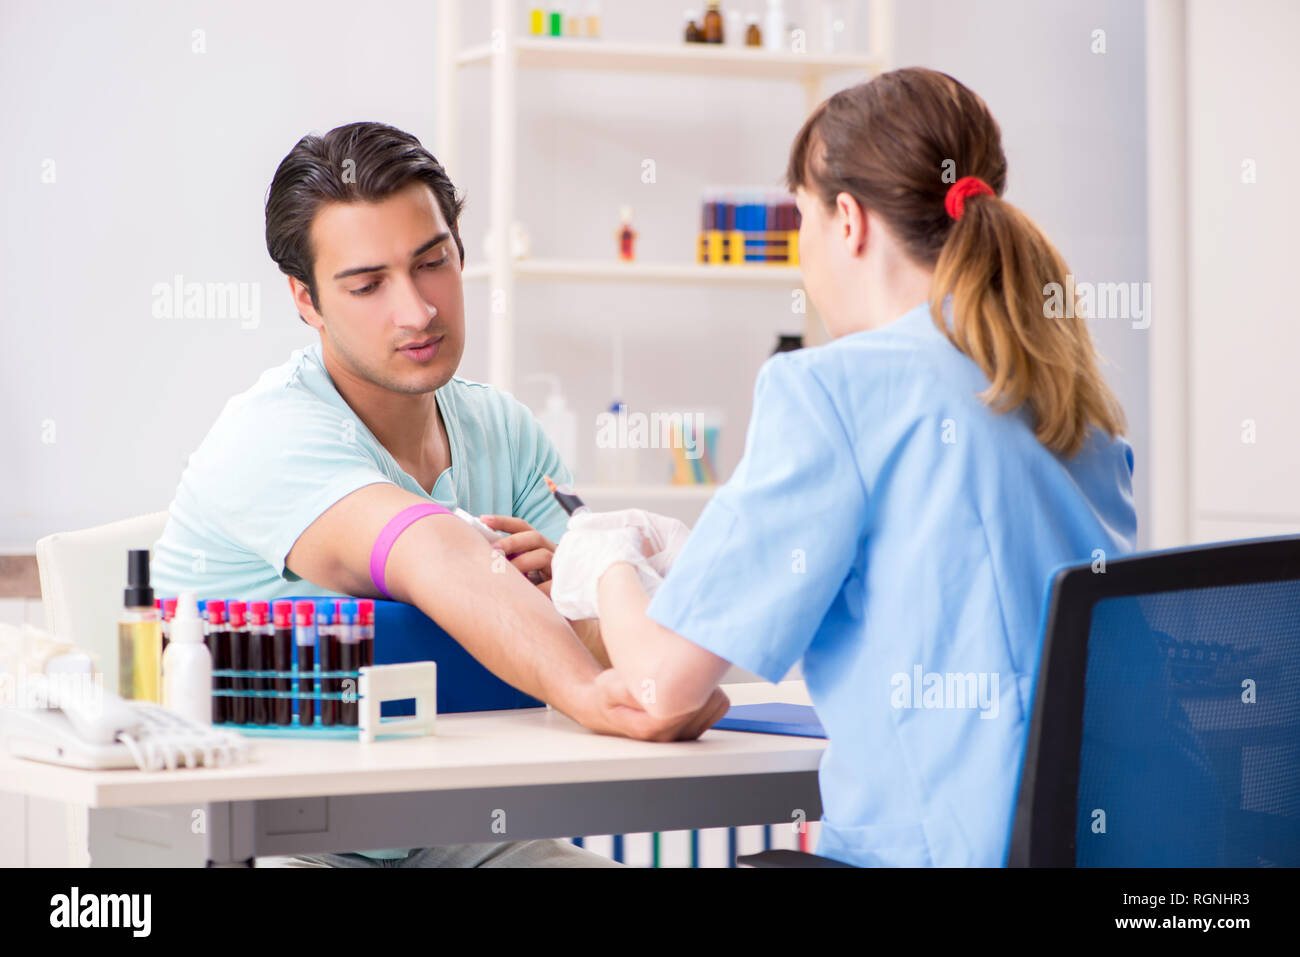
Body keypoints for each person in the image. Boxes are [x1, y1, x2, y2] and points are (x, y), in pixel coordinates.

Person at [547, 67, 1138, 868]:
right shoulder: (1067, 390)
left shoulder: (832, 388)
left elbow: (658, 690)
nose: (802, 250)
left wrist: (602, 559)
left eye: (802, 216)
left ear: (849, 221)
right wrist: (701, 562)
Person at [150, 122, 727, 868]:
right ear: (306, 299)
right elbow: (429, 551)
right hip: (275, 840)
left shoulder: (504, 430)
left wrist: (604, 617)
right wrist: (590, 692)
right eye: (367, 285)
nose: (418, 310)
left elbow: (609, 625)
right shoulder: (270, 434)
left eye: (433, 263)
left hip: (465, 829)